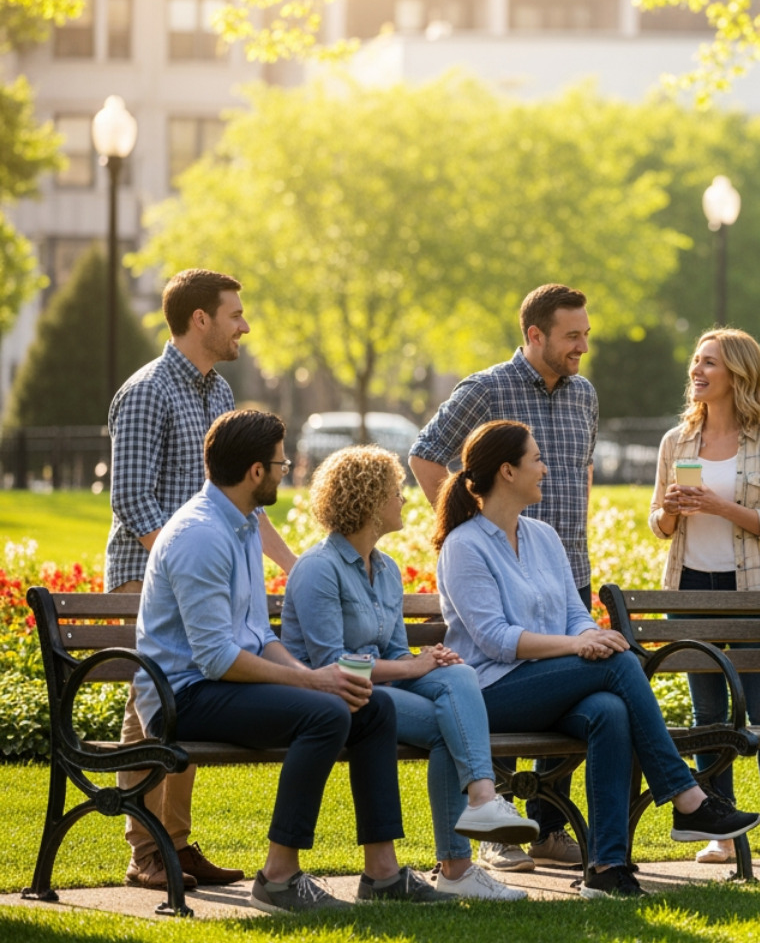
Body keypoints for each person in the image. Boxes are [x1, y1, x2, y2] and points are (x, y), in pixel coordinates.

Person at [134, 410, 451, 912]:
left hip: (218, 685)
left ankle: (383, 873)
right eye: (281, 463)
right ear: (255, 472)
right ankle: (278, 878)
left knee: (371, 708)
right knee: (325, 713)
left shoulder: (239, 527)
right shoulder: (201, 536)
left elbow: (258, 636)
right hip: (184, 696)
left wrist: (315, 678)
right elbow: (216, 657)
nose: (288, 470)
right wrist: (310, 687)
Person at [433, 420, 760, 899]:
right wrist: (579, 646)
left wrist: (591, 634)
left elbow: (573, 613)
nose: (545, 469)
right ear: (507, 471)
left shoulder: (543, 536)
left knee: (609, 709)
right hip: (489, 693)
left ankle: (606, 870)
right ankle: (687, 796)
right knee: (616, 664)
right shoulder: (465, 546)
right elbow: (495, 639)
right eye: (536, 459)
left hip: (550, 686)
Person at [106, 268, 297, 891]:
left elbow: (244, 503)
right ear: (200, 319)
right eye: (235, 314)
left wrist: (293, 568)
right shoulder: (146, 392)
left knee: (189, 701)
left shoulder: (220, 395)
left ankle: (175, 845)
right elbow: (133, 504)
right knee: (153, 706)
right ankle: (147, 851)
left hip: (205, 570)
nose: (245, 324)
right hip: (151, 573)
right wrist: (188, 569)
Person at [281, 445, 537, 901]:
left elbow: (398, 654)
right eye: (394, 491)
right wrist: (411, 665)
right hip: (340, 699)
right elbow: (329, 663)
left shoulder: (387, 570)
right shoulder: (317, 569)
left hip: (381, 689)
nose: (402, 499)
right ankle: (459, 863)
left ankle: (481, 803)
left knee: (459, 678)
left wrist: (430, 661)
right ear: (367, 500)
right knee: (446, 724)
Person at [410, 283, 597, 872]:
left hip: (565, 571)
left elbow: (581, 470)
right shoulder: (486, 389)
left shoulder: (585, 394)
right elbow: (424, 453)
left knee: (571, 695)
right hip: (498, 571)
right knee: (509, 686)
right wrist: (467, 527)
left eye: (585, 335)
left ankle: (544, 825)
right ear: (534, 335)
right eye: (572, 336)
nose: (582, 347)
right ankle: (498, 832)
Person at [649, 329, 760, 867]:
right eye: (696, 360)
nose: (697, 370)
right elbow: (659, 525)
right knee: (708, 712)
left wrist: (720, 507)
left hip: (754, 591)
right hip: (690, 588)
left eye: (708, 362)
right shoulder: (676, 442)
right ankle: (722, 829)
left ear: (736, 374)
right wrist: (671, 510)